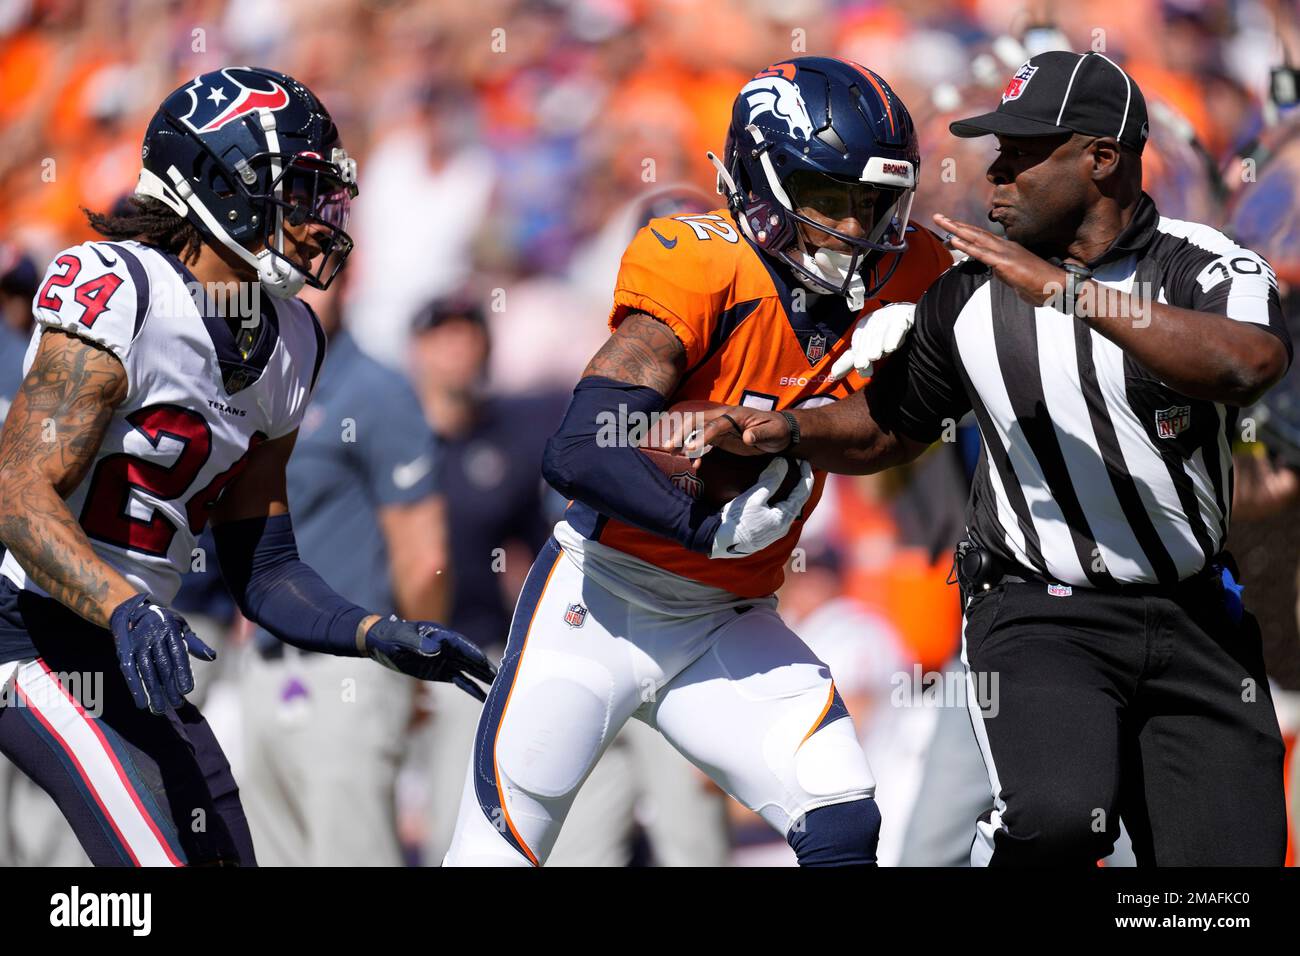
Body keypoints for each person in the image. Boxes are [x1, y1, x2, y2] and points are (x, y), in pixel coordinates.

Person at [689, 51, 1292, 866]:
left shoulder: (1205, 266)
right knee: (1054, 821)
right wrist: (790, 432)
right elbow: (889, 426)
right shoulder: (971, 293)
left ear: (1101, 159)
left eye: (1018, 153)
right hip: (1043, 611)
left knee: (1226, 879)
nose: (994, 175)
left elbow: (1246, 364)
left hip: (1195, 612)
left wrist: (1065, 292)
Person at [443, 56, 952, 867]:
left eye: (874, 202)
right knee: (497, 855)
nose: (857, 228)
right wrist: (701, 523)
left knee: (842, 816)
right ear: (762, 184)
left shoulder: (913, 271)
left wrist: (787, 430)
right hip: (599, 604)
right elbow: (579, 446)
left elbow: (892, 437)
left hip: (730, 617)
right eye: (830, 200)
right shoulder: (701, 260)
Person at [0, 67, 493, 866]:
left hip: (131, 646)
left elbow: (262, 567)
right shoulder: (120, 288)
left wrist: (373, 632)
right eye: (297, 193)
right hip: (30, 633)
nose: (317, 222)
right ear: (217, 184)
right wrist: (124, 605)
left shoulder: (291, 340)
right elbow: (16, 492)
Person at [239, 271, 450, 867]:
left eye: (310, 279)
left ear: (346, 282)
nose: (297, 296)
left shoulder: (374, 389)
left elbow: (423, 554)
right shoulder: (260, 382)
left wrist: (416, 668)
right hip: (264, 661)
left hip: (349, 670)